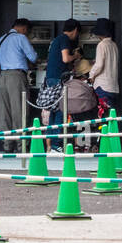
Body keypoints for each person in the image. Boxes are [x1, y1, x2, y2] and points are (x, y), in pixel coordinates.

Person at [0, 18, 37, 153]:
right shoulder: (21, 38)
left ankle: (7, 145)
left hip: (3, 76)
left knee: (4, 112)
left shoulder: (2, 39)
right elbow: (33, 57)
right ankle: (21, 145)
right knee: (19, 110)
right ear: (24, 29)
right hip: (16, 76)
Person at [45, 18, 83, 150]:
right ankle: (56, 145)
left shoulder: (56, 39)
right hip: (58, 79)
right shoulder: (65, 39)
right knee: (61, 111)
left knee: (53, 112)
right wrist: (76, 56)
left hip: (50, 78)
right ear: (76, 30)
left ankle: (50, 146)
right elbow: (65, 58)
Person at [88, 18, 120, 114]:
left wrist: (91, 76)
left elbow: (99, 65)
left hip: (103, 86)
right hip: (113, 87)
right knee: (112, 116)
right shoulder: (114, 45)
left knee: (102, 116)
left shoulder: (102, 45)